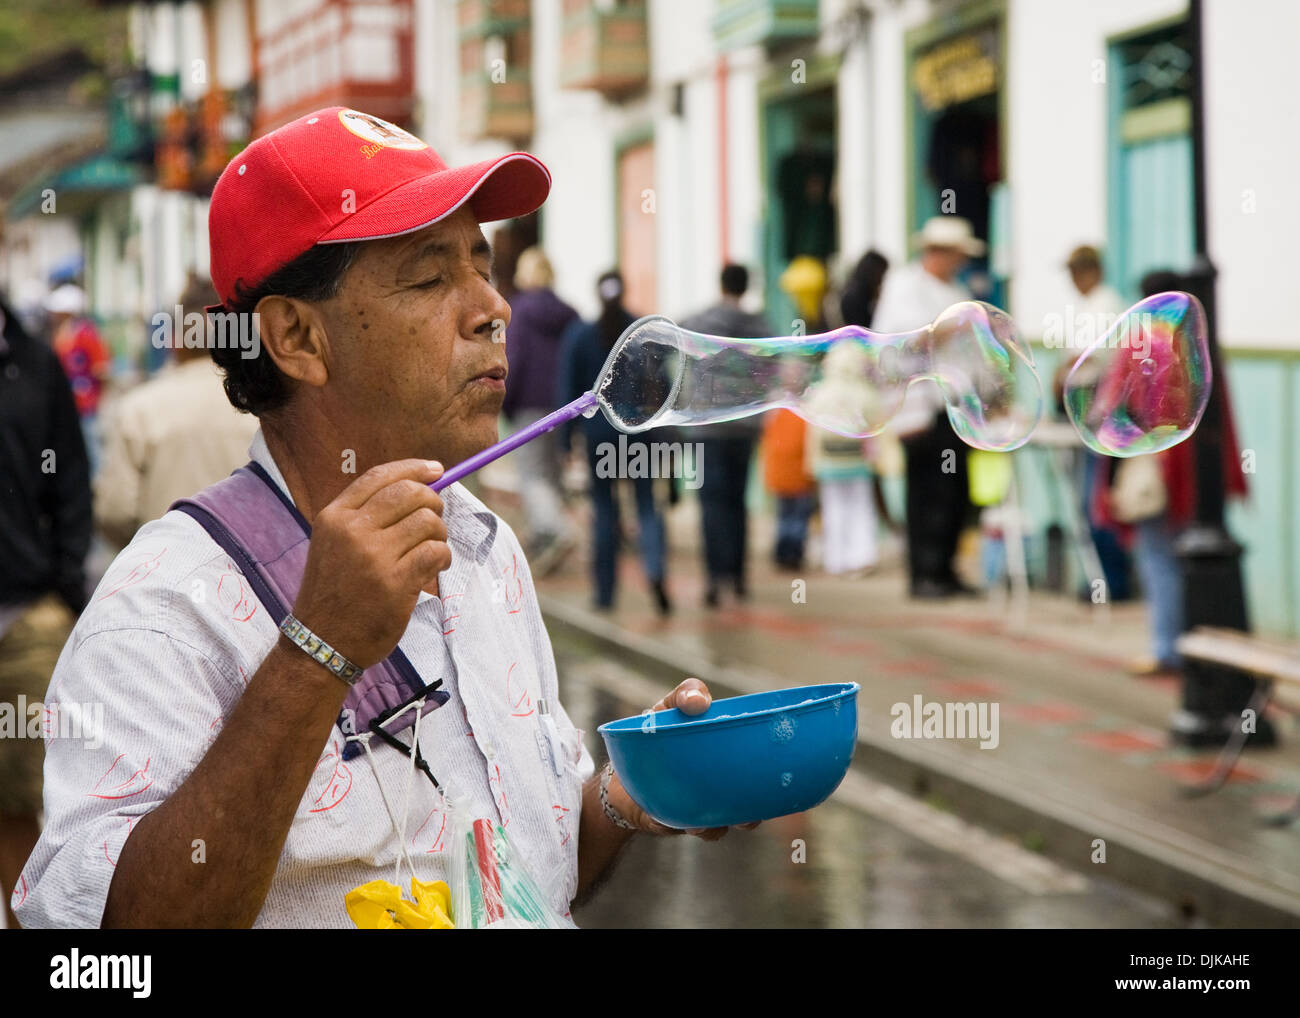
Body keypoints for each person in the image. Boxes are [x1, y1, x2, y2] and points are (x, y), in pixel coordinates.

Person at [16, 108, 749, 930]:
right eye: (430, 278)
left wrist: (631, 793)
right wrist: (317, 650)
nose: (492, 308)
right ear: (296, 336)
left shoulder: (483, 545)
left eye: (484, 264)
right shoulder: (161, 612)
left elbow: (527, 873)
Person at [0, 292, 92, 930]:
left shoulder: (36, 365)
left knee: (32, 796)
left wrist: (60, 585)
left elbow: (72, 482)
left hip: (26, 617)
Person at [93, 275, 260, 549]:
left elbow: (115, 511)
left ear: (175, 340)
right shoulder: (262, 409)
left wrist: (144, 548)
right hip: (252, 576)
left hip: (161, 567)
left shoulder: (139, 410)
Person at [872, 216, 984, 599]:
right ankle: (924, 572)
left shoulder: (955, 289)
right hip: (920, 406)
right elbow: (901, 341)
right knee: (926, 492)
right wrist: (947, 328)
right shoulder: (905, 286)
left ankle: (946, 568)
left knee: (956, 492)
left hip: (953, 405)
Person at [558, 271, 671, 616]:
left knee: (605, 511)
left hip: (599, 439)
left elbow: (568, 391)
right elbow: (664, 388)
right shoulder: (643, 335)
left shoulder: (581, 336)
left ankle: (605, 593)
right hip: (641, 435)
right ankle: (655, 572)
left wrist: (566, 441)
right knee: (647, 506)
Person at [679, 264, 772, 606]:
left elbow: (671, 336)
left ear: (721, 285)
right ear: (746, 287)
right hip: (745, 428)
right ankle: (738, 576)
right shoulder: (759, 325)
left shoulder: (699, 320)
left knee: (711, 504)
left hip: (706, 430)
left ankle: (715, 579)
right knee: (737, 501)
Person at [1052, 245, 1131, 602]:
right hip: (1093, 413)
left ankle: (1110, 580)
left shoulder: (1103, 302)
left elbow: (1086, 358)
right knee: (1091, 497)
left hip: (1101, 414)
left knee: (1094, 498)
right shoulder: (1093, 304)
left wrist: (1062, 374)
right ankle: (1105, 577)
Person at [501, 248, 580, 575]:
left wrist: (506, 400)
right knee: (551, 473)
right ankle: (542, 535)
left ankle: (556, 530)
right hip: (564, 406)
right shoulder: (570, 314)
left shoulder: (519, 312)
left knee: (532, 474)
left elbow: (513, 359)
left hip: (529, 404)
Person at [804, 342, 880, 576]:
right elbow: (874, 428)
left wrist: (811, 462)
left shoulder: (820, 393)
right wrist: (877, 459)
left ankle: (835, 559)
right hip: (858, 461)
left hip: (829, 461)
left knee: (833, 507)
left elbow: (812, 432)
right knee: (861, 507)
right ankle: (861, 557)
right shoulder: (866, 393)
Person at [44, 283, 110, 476]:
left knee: (91, 449)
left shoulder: (87, 335)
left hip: (86, 406)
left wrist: (98, 400)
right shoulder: (61, 335)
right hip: (67, 405)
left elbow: (101, 370)